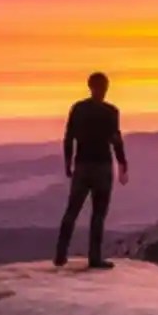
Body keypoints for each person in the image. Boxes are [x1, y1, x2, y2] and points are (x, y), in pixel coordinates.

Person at [55, 72, 129, 269]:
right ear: (105, 87)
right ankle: (94, 258)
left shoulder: (78, 109)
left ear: (90, 86)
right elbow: (116, 139)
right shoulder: (110, 111)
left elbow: (69, 137)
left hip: (82, 165)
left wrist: (68, 163)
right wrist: (123, 165)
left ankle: (60, 254)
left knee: (72, 210)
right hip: (102, 166)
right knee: (98, 214)